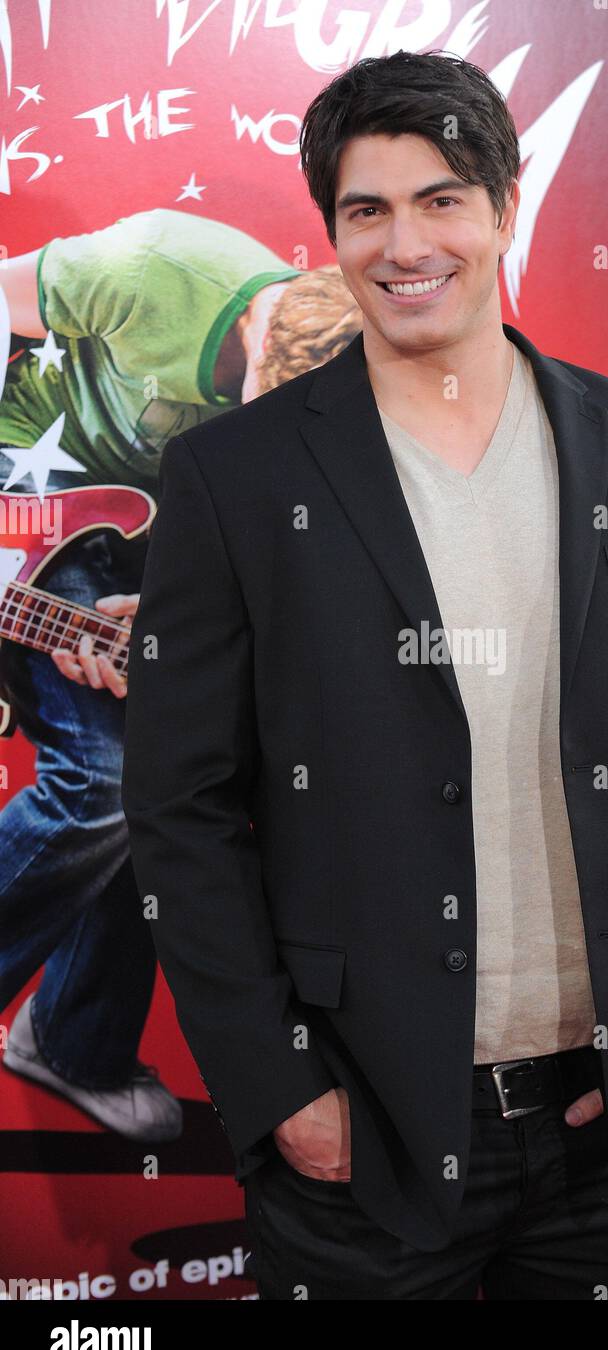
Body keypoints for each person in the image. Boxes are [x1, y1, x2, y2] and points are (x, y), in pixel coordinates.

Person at [120, 50, 608, 1299]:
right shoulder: (236, 478)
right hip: (360, 1143)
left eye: (440, 199)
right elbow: (180, 810)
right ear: (331, 233)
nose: (403, 241)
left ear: (503, 209)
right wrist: (281, 1090)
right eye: (367, 208)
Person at [0, 208, 361, 1143]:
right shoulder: (154, 266)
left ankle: (73, 1041)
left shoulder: (334, 415)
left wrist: (164, 625)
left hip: (133, 530)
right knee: (106, 783)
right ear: (260, 328)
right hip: (21, 475)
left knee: (169, 784)